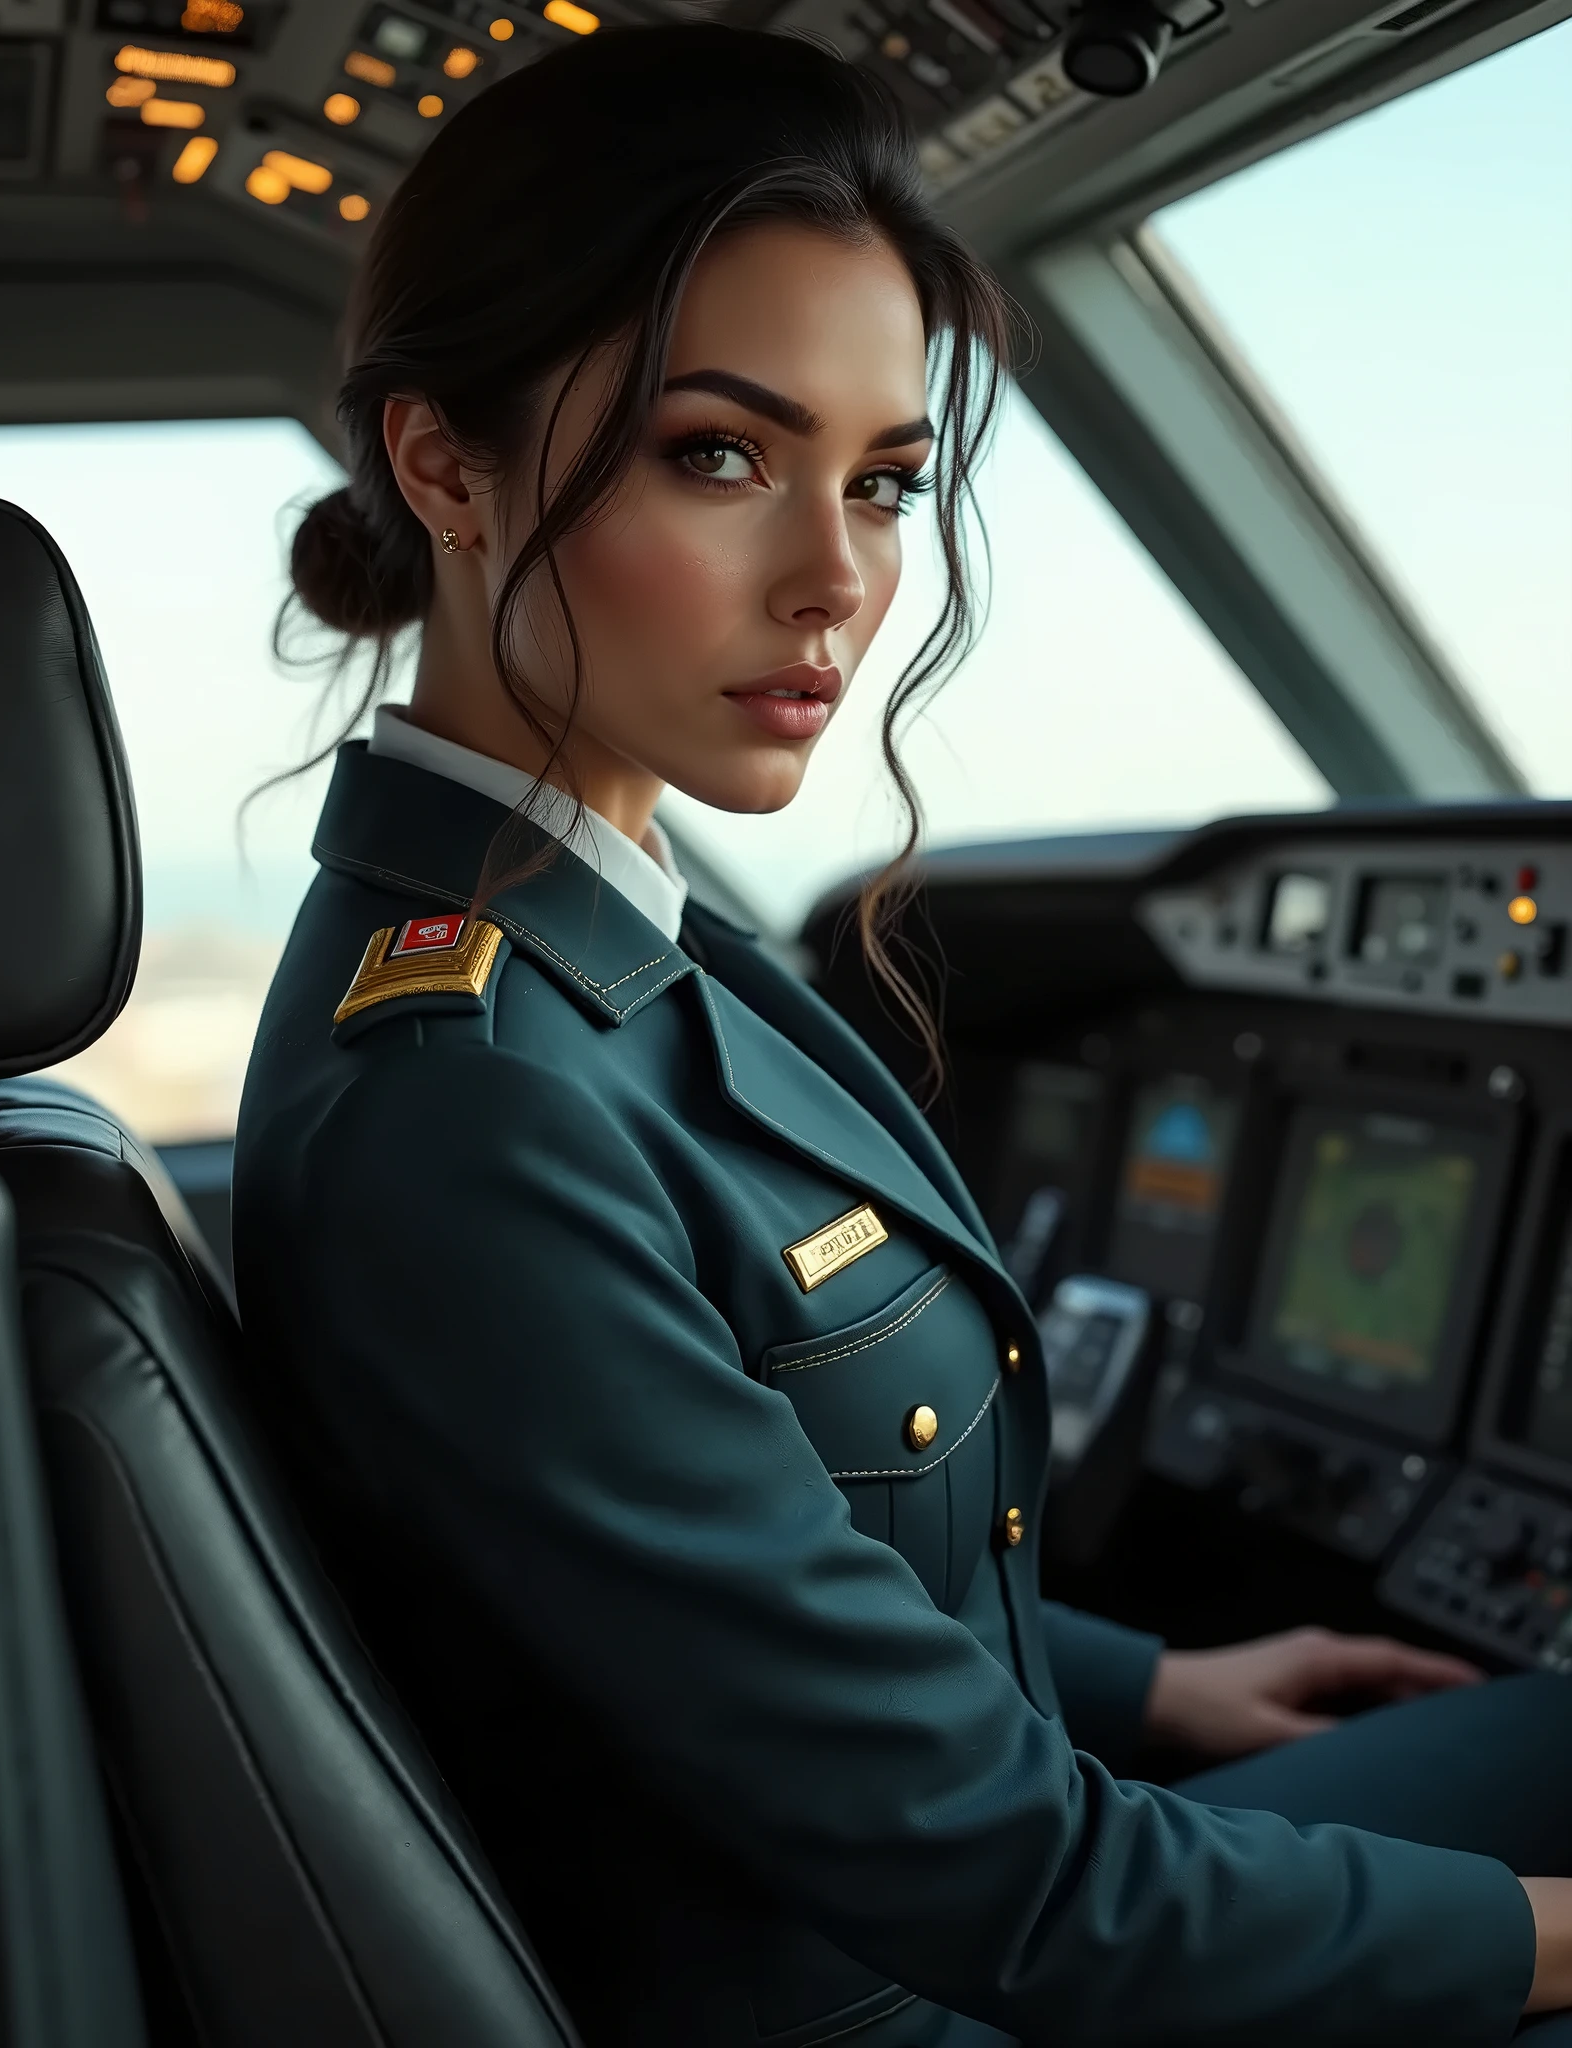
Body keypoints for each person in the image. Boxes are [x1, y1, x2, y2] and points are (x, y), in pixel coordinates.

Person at [233, 24, 1572, 2046]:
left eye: (880, 479)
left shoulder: (592, 944)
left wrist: (1149, 1685)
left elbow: (783, 1561)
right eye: (719, 454)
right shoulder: (472, 1099)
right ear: (443, 465)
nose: (836, 581)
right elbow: (1034, 1895)